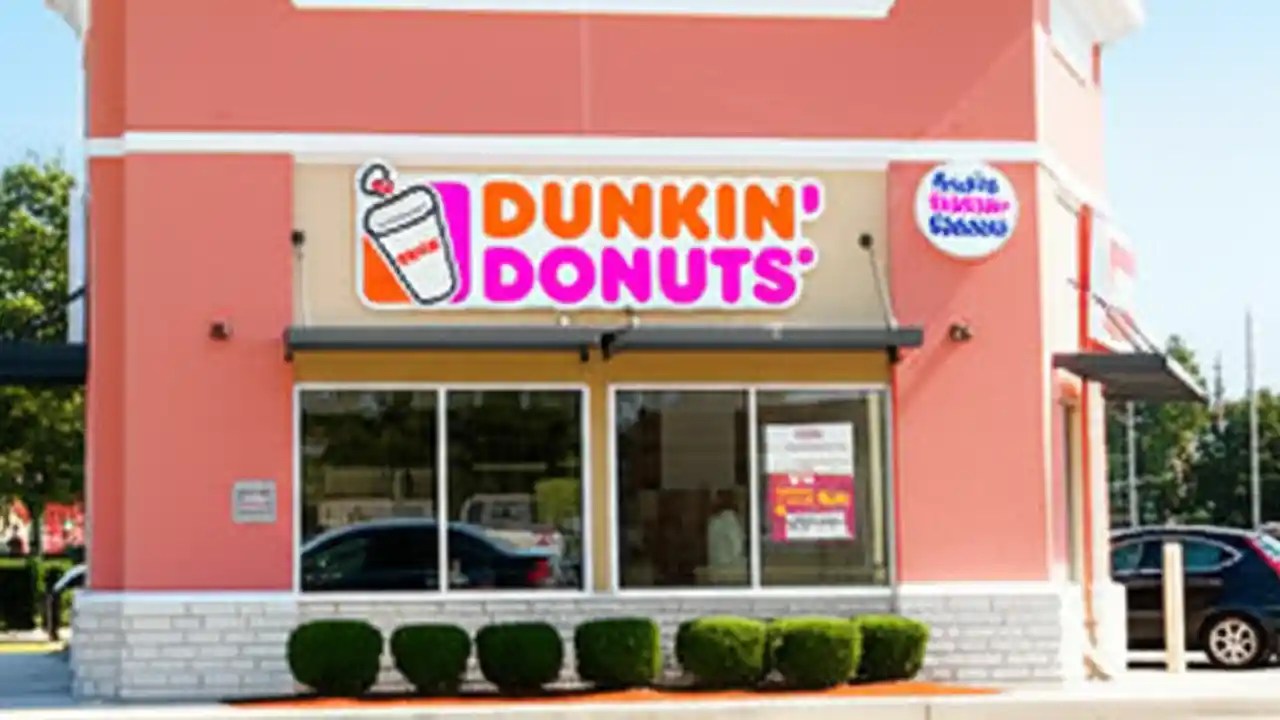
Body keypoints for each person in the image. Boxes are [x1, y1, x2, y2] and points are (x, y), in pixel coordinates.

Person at [706, 489, 745, 573]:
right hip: (730, 569)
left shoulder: (713, 522)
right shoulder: (729, 519)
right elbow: (737, 547)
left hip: (715, 567)